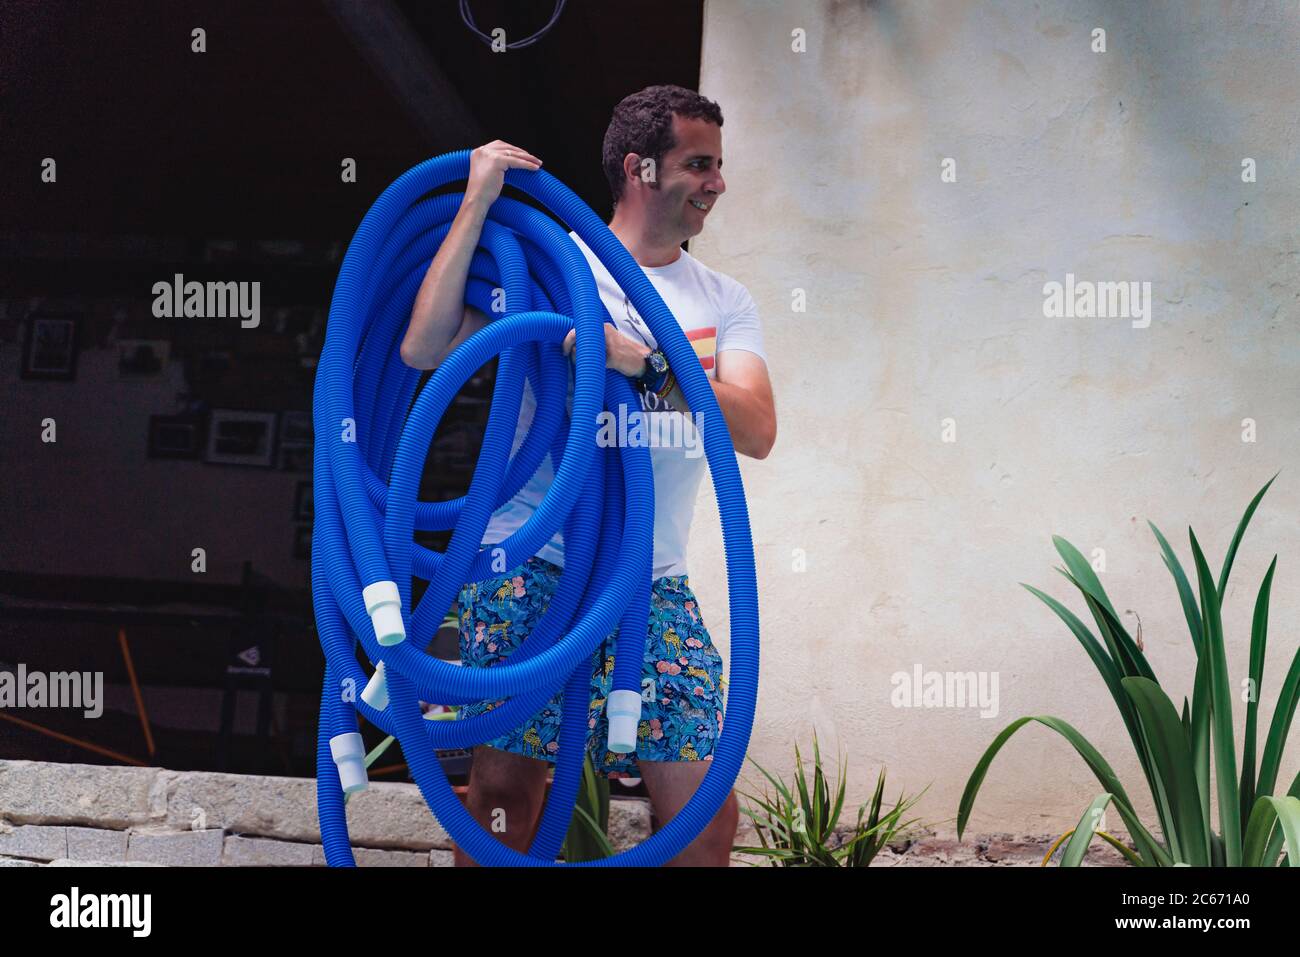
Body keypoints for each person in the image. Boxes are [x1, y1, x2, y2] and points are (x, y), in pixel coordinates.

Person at [401, 85, 776, 866]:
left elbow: (755, 427)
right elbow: (425, 345)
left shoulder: (724, 300)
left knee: (705, 818)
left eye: (718, 164)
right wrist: (476, 202)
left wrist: (648, 365)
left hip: (651, 578)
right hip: (532, 565)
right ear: (641, 168)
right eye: (699, 164)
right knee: (506, 797)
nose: (718, 183)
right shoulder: (553, 267)